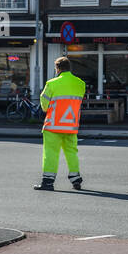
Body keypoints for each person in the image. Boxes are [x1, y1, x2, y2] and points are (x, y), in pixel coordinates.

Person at [35, 56, 87, 191]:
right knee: (72, 152)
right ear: (69, 67)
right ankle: (76, 178)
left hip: (53, 125)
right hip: (71, 125)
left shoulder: (51, 83)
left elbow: (44, 105)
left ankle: (48, 182)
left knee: (51, 153)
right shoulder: (80, 83)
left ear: (57, 68)